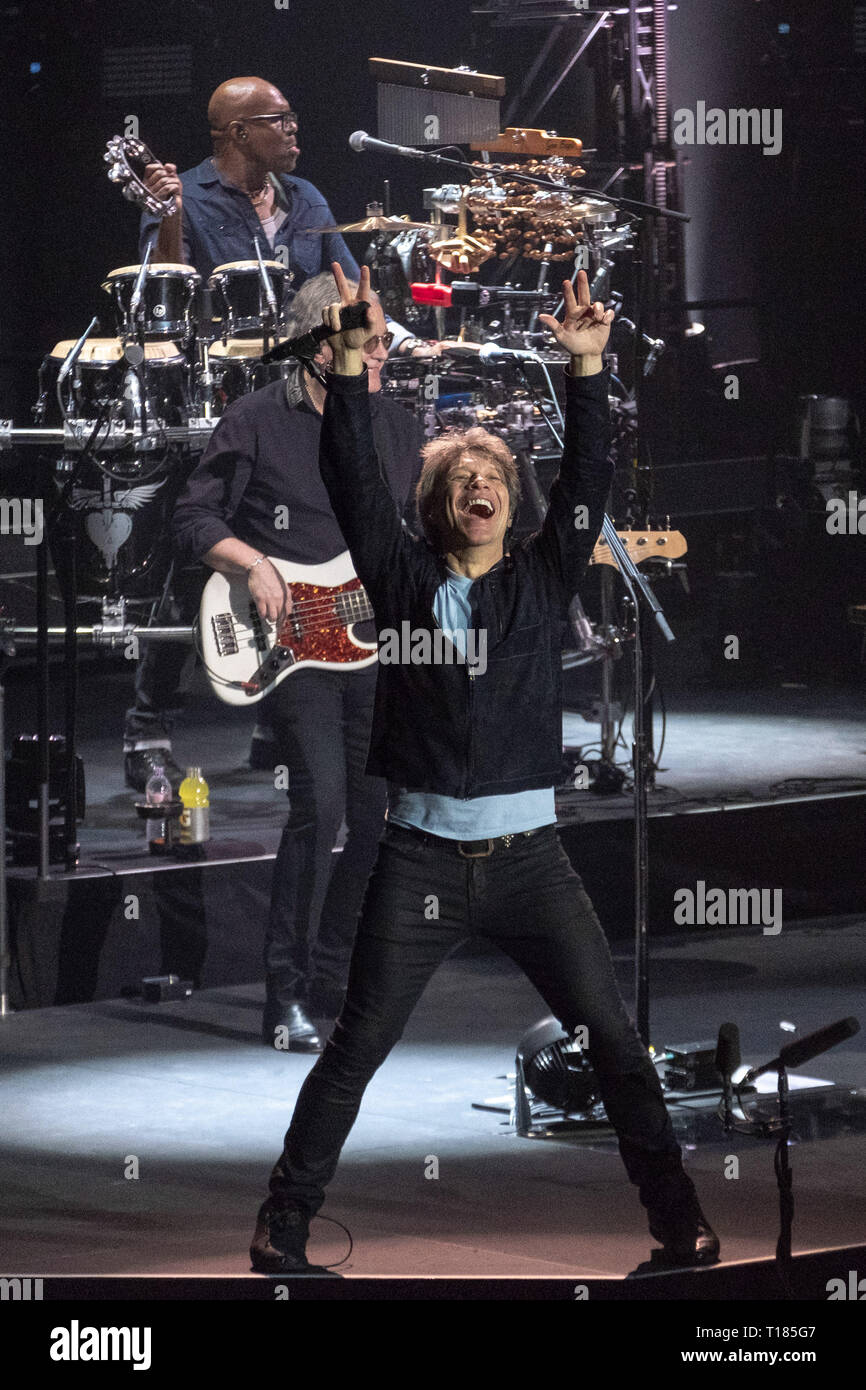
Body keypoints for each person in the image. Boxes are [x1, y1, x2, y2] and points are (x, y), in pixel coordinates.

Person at [249, 263, 720, 1275]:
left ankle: (679, 1224)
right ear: (437, 503)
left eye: (495, 479)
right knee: (356, 1046)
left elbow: (586, 484)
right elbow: (349, 478)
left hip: (527, 864)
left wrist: (584, 368)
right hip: (419, 861)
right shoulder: (400, 574)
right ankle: (281, 1227)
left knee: (613, 1038)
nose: (479, 486)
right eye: (462, 479)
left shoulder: (542, 585)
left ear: (512, 502)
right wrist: (342, 359)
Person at [124, 76, 435, 790]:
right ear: (236, 133)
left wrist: (403, 342)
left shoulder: (308, 199)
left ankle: (286, 714)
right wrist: (168, 214)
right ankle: (148, 727)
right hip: (220, 404)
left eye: (294, 118)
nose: (296, 131)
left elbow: (350, 294)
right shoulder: (189, 196)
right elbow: (164, 292)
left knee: (322, 549)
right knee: (191, 558)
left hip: (307, 400)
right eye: (280, 120)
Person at [172, 275, 423, 1050]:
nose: (386, 353)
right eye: (372, 339)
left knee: (379, 820)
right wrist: (252, 563)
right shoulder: (257, 419)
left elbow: (407, 535)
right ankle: (282, 996)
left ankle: (332, 980)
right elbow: (191, 516)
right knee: (322, 807)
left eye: (385, 340)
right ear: (325, 344)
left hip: (370, 641)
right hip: (288, 646)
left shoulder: (394, 425)